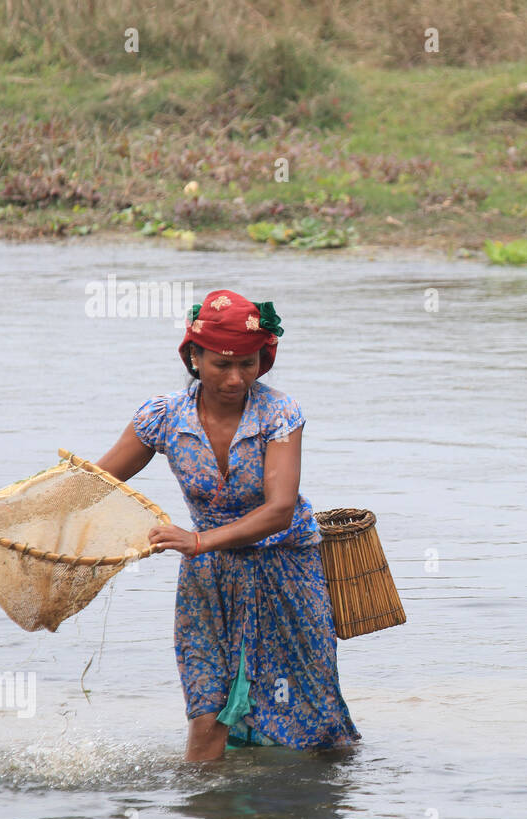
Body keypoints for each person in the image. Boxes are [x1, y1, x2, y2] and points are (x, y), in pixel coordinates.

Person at [92, 289, 359, 760]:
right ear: (193, 357)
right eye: (221, 364)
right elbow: (91, 482)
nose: (236, 378)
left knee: (313, 713)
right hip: (209, 579)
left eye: (249, 364)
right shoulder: (164, 416)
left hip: (286, 573)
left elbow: (279, 508)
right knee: (207, 710)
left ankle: (322, 818)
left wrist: (199, 539)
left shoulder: (279, 414)